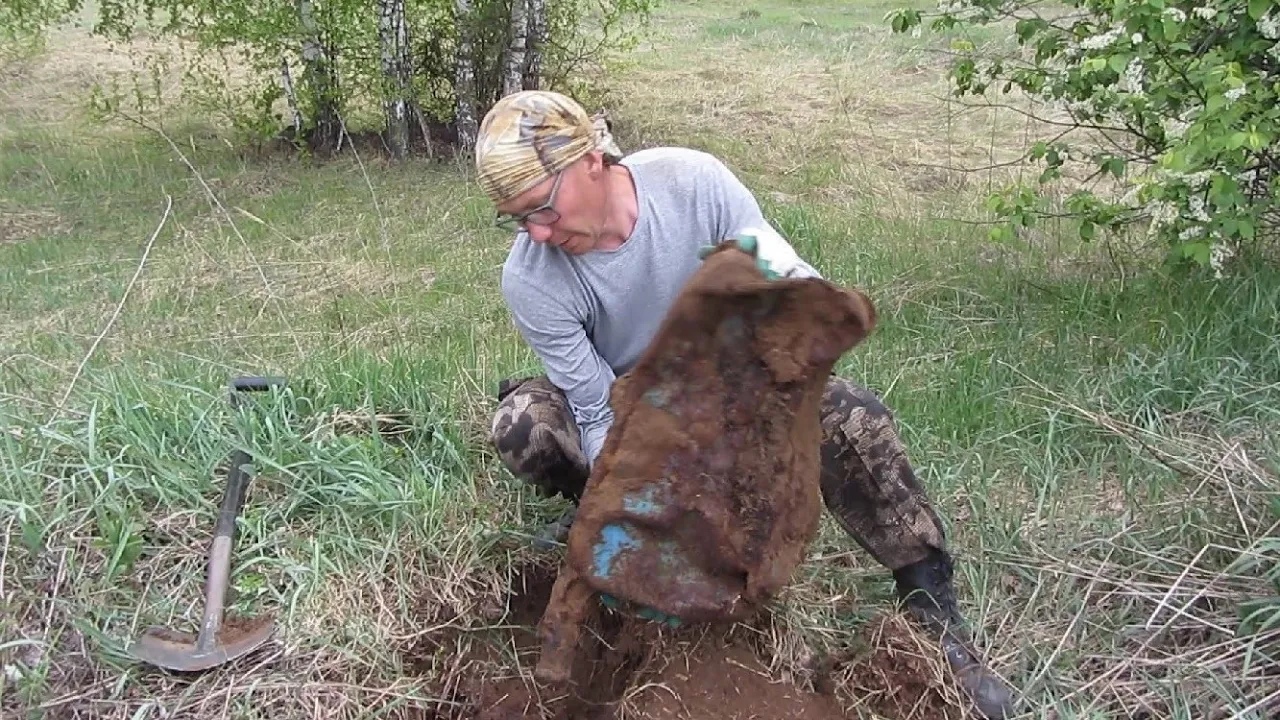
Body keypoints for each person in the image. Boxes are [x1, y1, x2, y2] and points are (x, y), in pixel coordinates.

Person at [476, 89, 1017, 719]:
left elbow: (784, 278)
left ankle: (930, 604)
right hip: (627, 409)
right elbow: (596, 413)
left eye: (542, 207)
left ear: (590, 160)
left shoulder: (691, 183)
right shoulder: (532, 278)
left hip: (726, 387)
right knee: (525, 425)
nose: (537, 232)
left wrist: (792, 314)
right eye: (518, 220)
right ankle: (598, 528)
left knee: (850, 415)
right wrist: (637, 509)